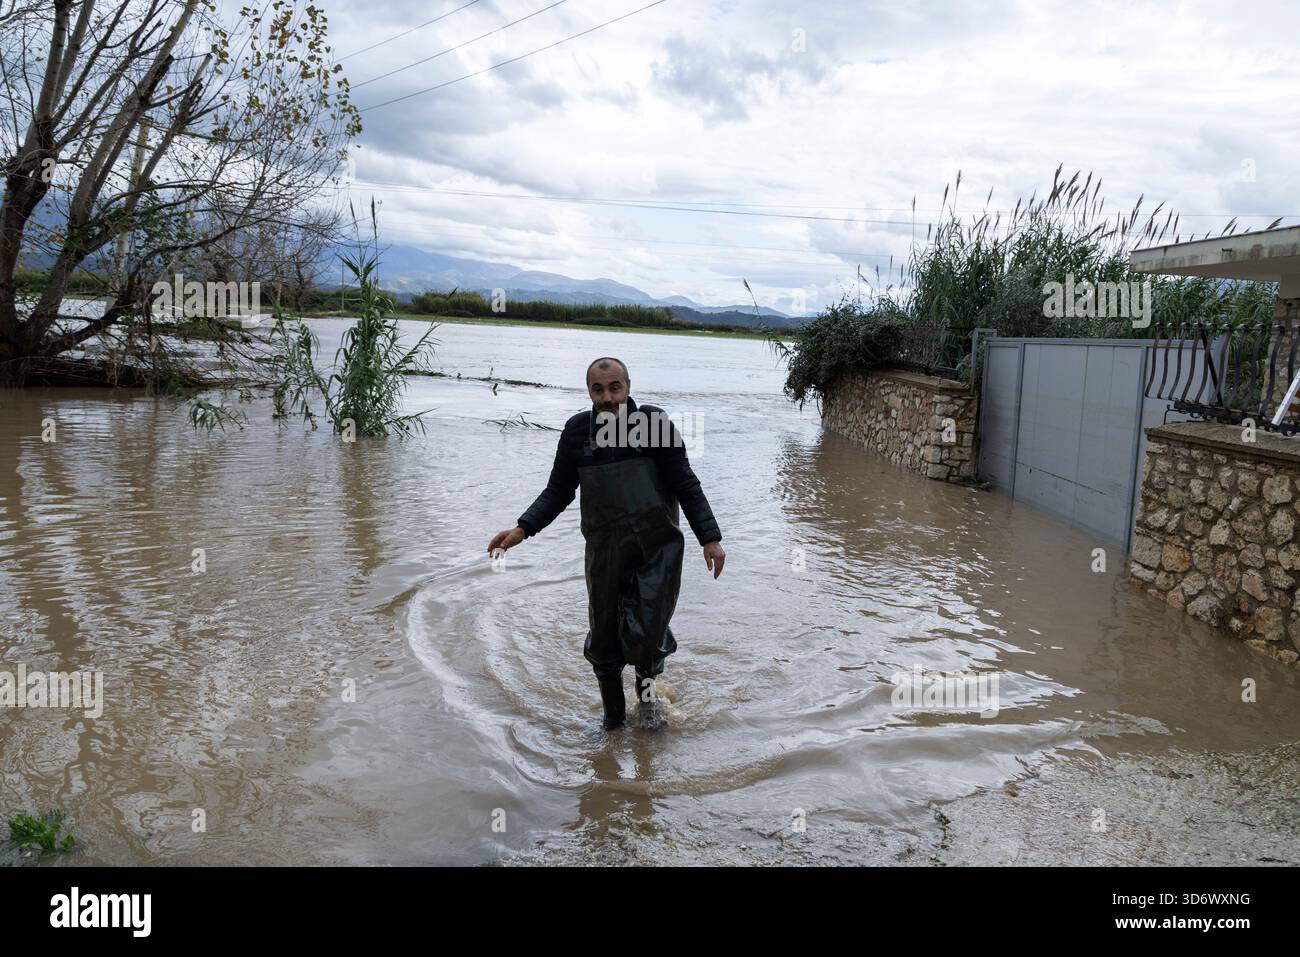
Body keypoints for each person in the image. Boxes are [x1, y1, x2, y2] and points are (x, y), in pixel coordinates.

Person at [487, 356, 726, 730]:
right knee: (604, 641)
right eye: (598, 390)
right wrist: (522, 528)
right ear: (589, 392)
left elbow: (685, 481)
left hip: (658, 549)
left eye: (615, 387)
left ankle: (647, 706)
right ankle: (613, 722)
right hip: (605, 550)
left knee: (648, 636)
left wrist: (709, 538)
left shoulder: (654, 424)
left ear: (628, 386)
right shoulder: (577, 432)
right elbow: (558, 491)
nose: (607, 397)